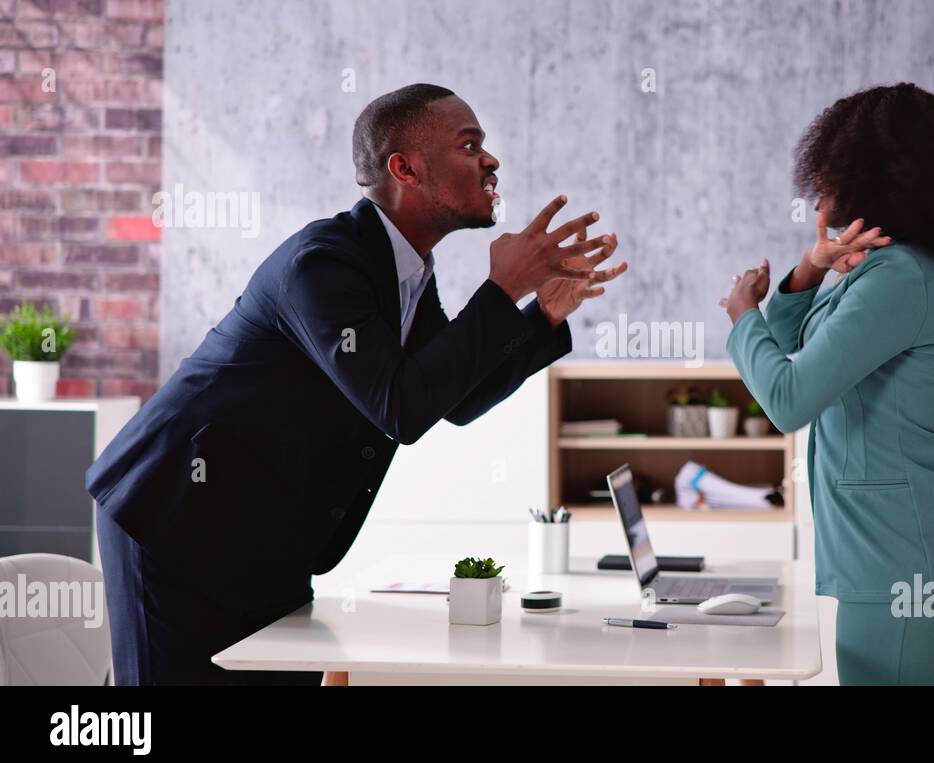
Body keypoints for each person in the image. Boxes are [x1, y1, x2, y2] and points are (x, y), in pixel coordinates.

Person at [87, 83, 627, 685]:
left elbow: (453, 397)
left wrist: (542, 315)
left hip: (265, 537)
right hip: (176, 520)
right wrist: (500, 292)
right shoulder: (324, 264)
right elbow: (397, 407)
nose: (490, 160)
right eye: (469, 144)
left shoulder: (406, 270)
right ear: (405, 168)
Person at [721, 83, 934, 685]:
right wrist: (812, 266)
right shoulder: (900, 266)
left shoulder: (899, 277)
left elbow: (787, 399)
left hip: (905, 558)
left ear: (874, 180)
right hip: (906, 547)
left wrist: (739, 316)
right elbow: (790, 350)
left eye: (831, 177)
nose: (820, 194)